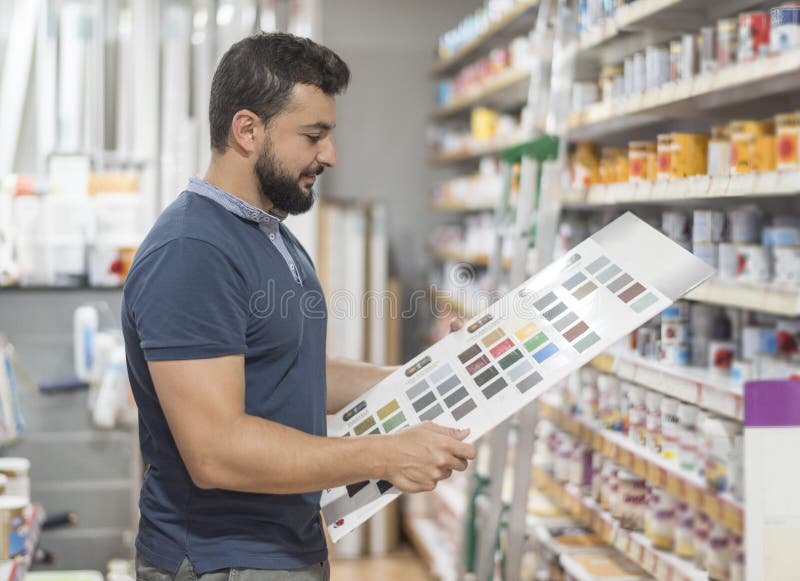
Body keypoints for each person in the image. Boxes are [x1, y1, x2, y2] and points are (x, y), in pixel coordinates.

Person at [122, 32, 476, 581]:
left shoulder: (271, 235)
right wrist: (385, 454)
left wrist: (429, 373)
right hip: (223, 561)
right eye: (314, 135)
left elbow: (291, 367)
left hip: (283, 549)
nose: (330, 155)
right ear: (247, 130)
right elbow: (216, 451)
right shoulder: (192, 252)